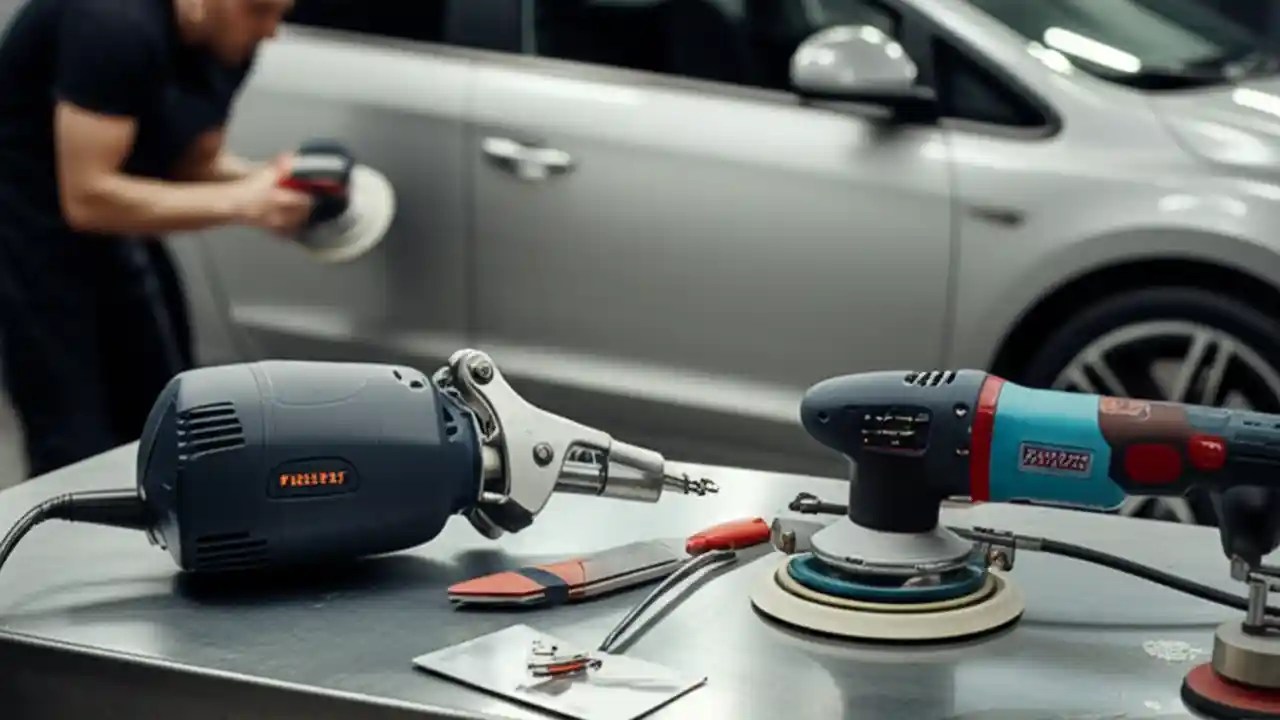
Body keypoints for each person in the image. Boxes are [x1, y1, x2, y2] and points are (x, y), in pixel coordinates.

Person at [0, 0, 315, 479]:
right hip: (27, 221)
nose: (271, 31)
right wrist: (246, 202)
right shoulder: (112, 24)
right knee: (75, 439)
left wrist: (271, 181)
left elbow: (193, 162)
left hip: (115, 217)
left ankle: (165, 542)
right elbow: (86, 198)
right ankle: (67, 545)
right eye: (259, 11)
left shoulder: (229, 37)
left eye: (279, 13)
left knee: (167, 412)